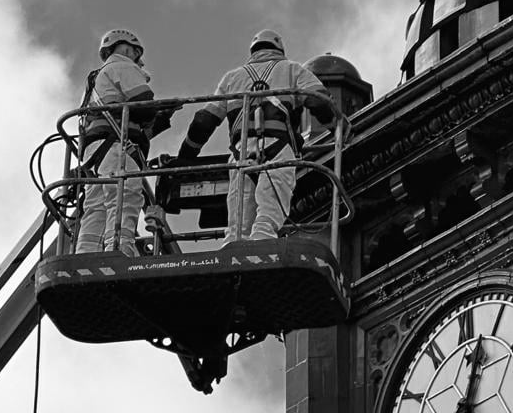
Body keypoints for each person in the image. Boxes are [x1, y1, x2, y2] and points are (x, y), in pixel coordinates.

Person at [177, 29, 335, 242]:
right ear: (279, 50)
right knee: (268, 215)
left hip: (241, 153)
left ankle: (233, 249)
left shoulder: (232, 78)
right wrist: (340, 128)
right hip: (278, 149)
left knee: (238, 226)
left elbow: (204, 120)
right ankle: (263, 238)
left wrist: (186, 156)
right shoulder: (292, 70)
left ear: (253, 51)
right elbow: (319, 101)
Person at [75, 29, 172, 255]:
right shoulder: (123, 66)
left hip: (97, 148)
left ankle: (86, 255)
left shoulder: (98, 76)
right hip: (113, 146)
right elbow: (143, 105)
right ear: (130, 49)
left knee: (97, 206)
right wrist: (158, 110)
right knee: (125, 193)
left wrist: (160, 118)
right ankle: (120, 250)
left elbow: (128, 118)